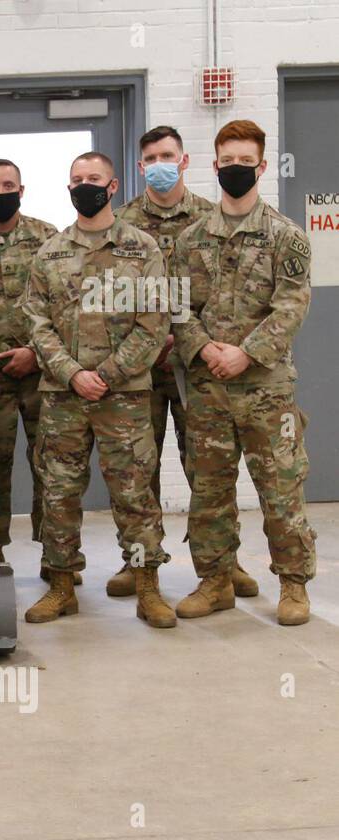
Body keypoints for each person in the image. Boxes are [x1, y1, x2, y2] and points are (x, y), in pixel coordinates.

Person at [171, 119, 316, 626]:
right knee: (209, 490)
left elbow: (291, 308)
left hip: (266, 391)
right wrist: (206, 348)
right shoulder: (190, 240)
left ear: (262, 165)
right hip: (210, 387)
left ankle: (293, 586)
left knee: (280, 488)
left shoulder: (286, 236)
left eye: (244, 162)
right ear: (215, 166)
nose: (236, 169)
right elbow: (176, 306)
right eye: (227, 162)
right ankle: (215, 581)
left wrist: (245, 353)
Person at [22, 151, 175, 627]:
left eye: (94, 179)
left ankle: (147, 585)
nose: (83, 186)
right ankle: (62, 585)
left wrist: (105, 375)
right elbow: (35, 321)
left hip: (124, 396)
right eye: (76, 180)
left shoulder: (142, 248)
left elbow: (154, 323)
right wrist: (72, 373)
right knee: (59, 493)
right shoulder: (50, 252)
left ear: (112, 187)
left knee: (134, 493)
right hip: (62, 396)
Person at [117, 125, 258, 599]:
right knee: (139, 467)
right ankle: (138, 561)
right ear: (141, 166)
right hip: (140, 370)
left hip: (198, 366)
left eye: (168, 155)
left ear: (184, 160)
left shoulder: (207, 215)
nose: (160, 163)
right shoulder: (122, 222)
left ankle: (223, 561)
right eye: (151, 157)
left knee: (208, 466)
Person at [0, 159, 61, 578]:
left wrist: (34, 352)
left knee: (51, 462)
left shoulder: (48, 239)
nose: (1, 192)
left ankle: (55, 553)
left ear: (22, 191)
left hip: (42, 376)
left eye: (9, 185)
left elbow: (64, 306)